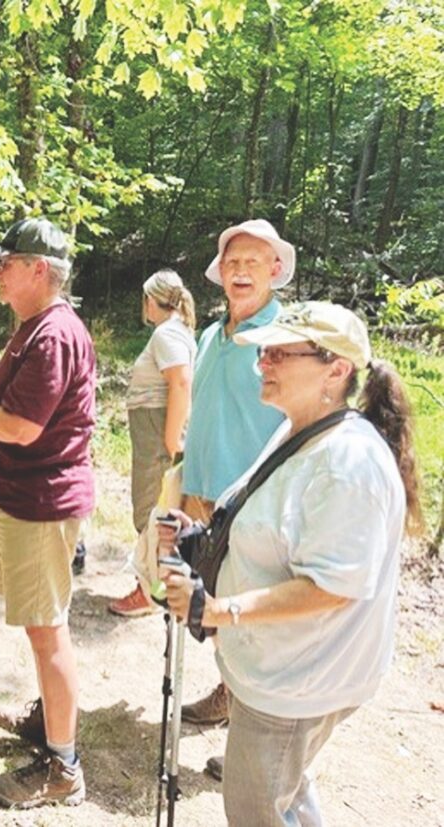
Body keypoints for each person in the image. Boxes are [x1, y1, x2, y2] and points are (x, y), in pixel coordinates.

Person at [159, 301, 420, 826]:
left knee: (257, 809)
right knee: (286, 790)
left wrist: (219, 609)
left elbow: (333, 587)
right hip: (282, 671)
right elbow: (274, 526)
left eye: (280, 353)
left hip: (297, 685)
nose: (264, 363)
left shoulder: (348, 465)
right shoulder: (302, 429)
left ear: (336, 369)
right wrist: (197, 537)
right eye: (264, 351)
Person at [0, 217, 96, 809]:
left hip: (42, 503)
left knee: (48, 630)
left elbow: (23, 427)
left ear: (39, 270)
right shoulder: (34, 328)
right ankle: (50, 724)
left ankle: (63, 767)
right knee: (41, 626)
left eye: (5, 263)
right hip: (26, 500)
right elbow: (8, 408)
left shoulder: (52, 334)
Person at [177, 219, 292, 732]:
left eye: (253, 262)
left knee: (253, 617)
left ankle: (255, 727)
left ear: (275, 270)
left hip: (256, 505)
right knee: (215, 606)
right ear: (220, 273)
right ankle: (230, 694)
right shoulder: (207, 336)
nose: (241, 271)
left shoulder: (287, 340)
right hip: (203, 498)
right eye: (232, 263)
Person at [108, 269, 196, 617]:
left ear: (150, 299)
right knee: (157, 507)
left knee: (149, 508)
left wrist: (172, 438)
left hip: (156, 429)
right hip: (154, 427)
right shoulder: (177, 332)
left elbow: (180, 382)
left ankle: (148, 591)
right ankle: (156, 586)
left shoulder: (167, 334)